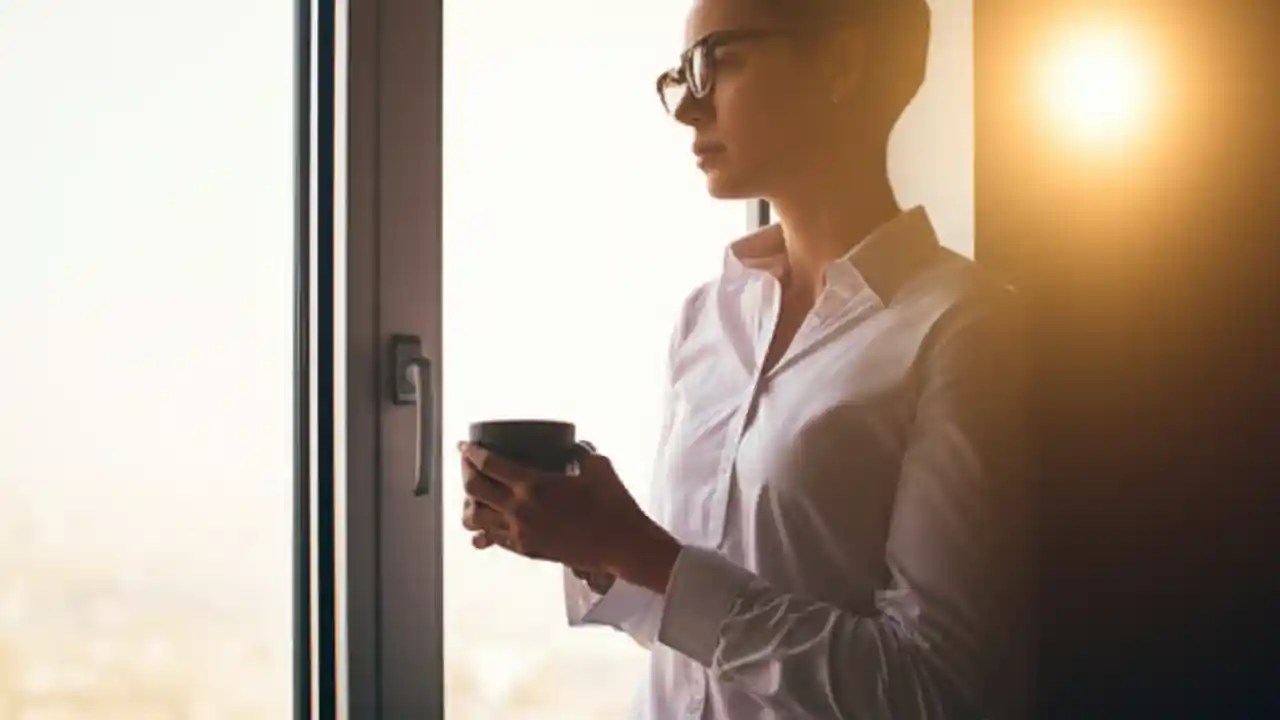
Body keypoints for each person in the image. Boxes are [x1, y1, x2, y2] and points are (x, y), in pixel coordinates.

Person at [458, 0, 1032, 717]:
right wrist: (594, 546)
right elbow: (696, 640)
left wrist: (640, 552)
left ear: (843, 65)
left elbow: (932, 691)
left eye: (718, 62)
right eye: (681, 75)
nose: (687, 110)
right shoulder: (710, 318)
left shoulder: (963, 328)